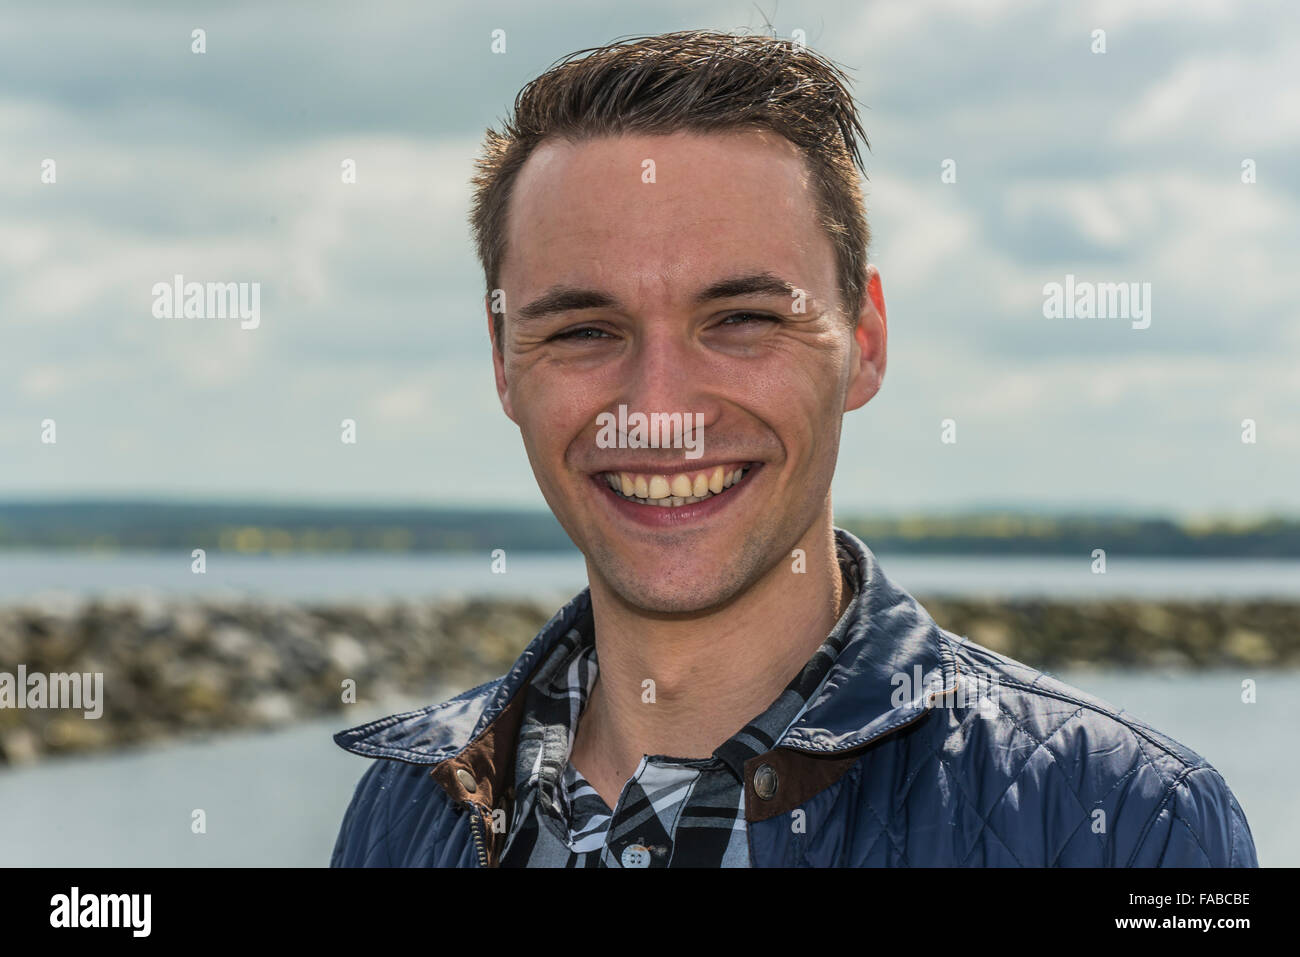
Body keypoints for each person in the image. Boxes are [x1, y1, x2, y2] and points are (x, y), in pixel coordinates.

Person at [331, 30, 1256, 867]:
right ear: (503, 363)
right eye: (584, 330)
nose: (660, 411)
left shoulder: (1129, 823)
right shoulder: (408, 808)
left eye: (741, 318)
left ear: (865, 341)